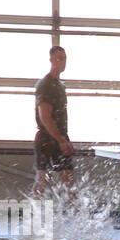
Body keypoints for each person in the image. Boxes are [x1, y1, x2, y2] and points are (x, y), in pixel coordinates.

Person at [33, 46, 74, 197]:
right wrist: (60, 139)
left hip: (60, 135)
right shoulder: (45, 85)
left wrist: (63, 139)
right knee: (42, 180)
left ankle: (73, 213)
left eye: (64, 58)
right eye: (59, 58)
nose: (62, 62)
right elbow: (45, 117)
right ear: (51, 60)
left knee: (68, 180)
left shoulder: (60, 85)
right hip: (47, 137)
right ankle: (35, 214)